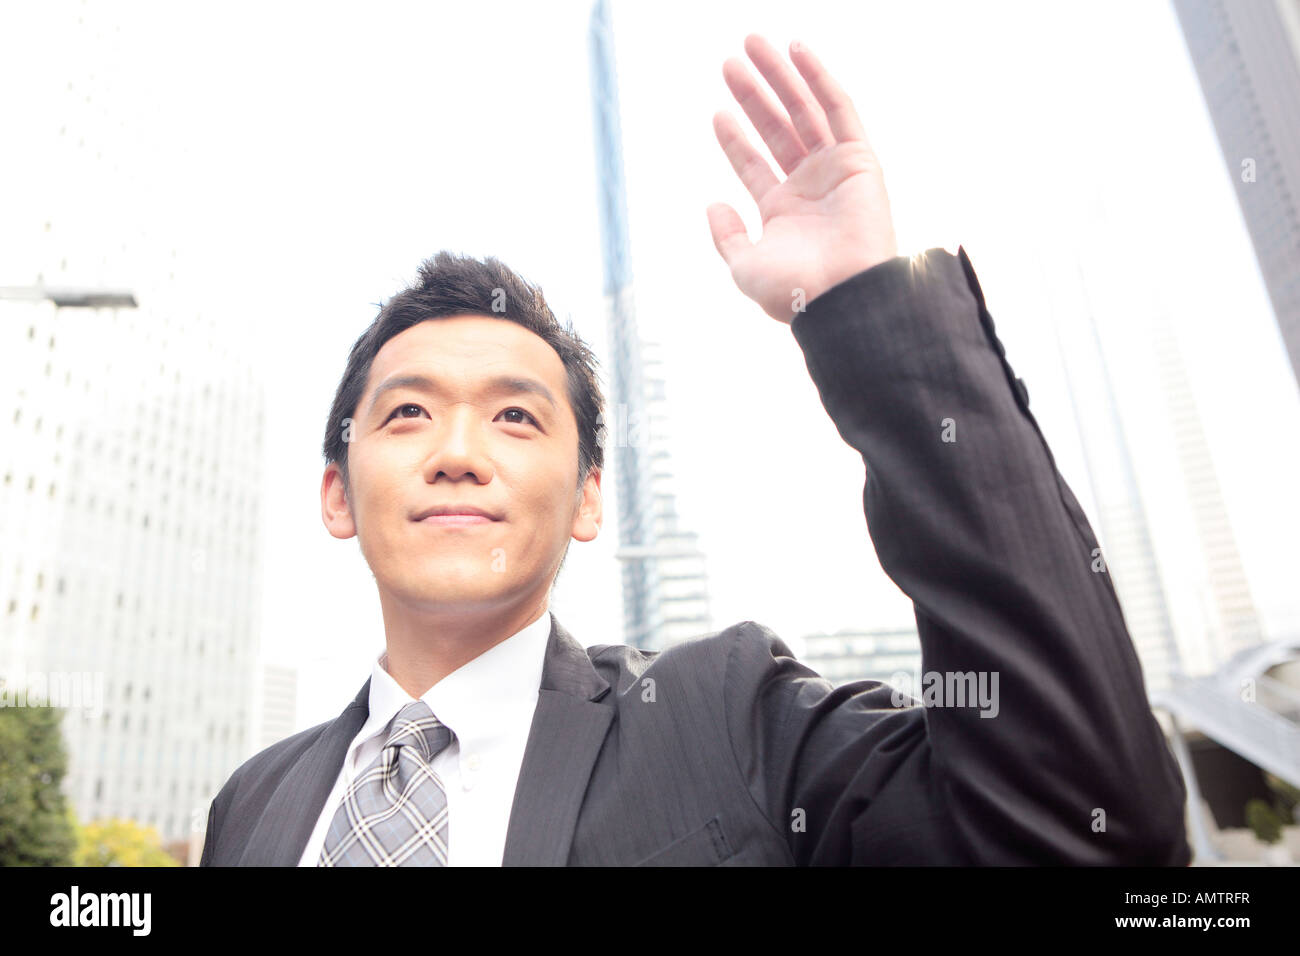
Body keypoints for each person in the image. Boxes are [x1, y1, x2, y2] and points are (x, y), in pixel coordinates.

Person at [200, 34, 1190, 866]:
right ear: (336, 491)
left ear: (590, 498)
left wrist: (877, 313)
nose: (458, 451)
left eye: (516, 417)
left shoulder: (724, 719)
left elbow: (1086, 824)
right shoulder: (251, 804)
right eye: (409, 412)